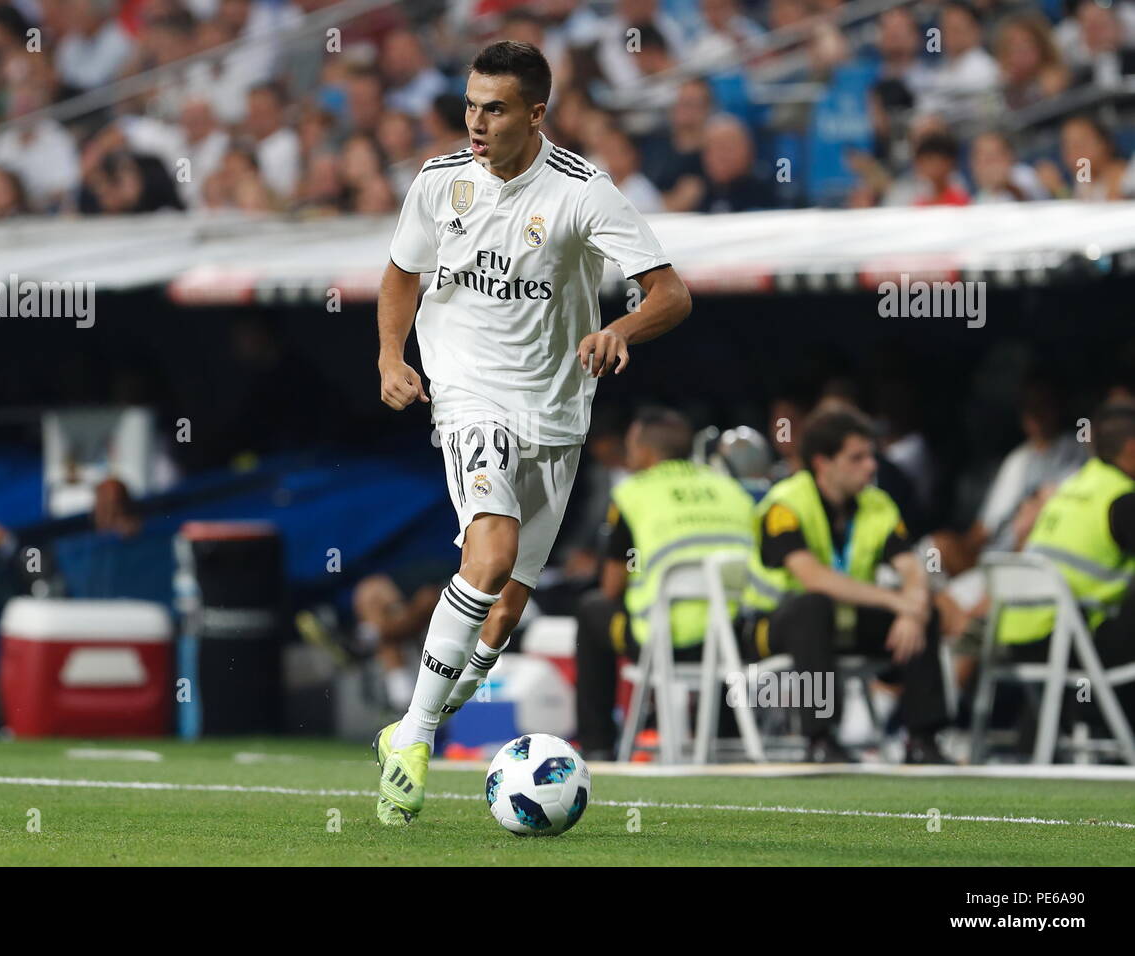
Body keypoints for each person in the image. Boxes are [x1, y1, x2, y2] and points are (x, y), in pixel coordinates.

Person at [373, 40, 691, 826]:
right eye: (471, 106)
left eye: (495, 108)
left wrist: (622, 328)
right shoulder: (439, 183)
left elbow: (671, 294)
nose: (475, 123)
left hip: (556, 414)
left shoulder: (584, 193)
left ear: (536, 113)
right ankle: (413, 739)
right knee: (492, 553)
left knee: (507, 607)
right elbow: (401, 273)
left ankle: (424, 714)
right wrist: (389, 355)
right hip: (470, 399)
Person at [742, 408, 951, 763]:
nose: (871, 465)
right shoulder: (785, 504)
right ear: (823, 463)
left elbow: (912, 567)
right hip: (768, 625)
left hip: (842, 622)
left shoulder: (876, 503)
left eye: (871, 455)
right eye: (857, 458)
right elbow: (812, 577)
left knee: (927, 611)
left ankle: (922, 740)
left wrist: (913, 608)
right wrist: (896, 602)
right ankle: (820, 740)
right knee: (814, 606)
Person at [574, 406, 754, 760]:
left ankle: (597, 747)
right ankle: (726, 736)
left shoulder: (632, 495)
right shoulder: (731, 490)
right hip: (735, 639)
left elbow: (612, 587)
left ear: (644, 450)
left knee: (593, 608)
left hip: (662, 642)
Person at [996, 401, 1135, 727]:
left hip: (1019, 635)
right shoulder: (1124, 499)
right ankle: (1105, 727)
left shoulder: (1071, 486)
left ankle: (1056, 730)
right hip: (1067, 639)